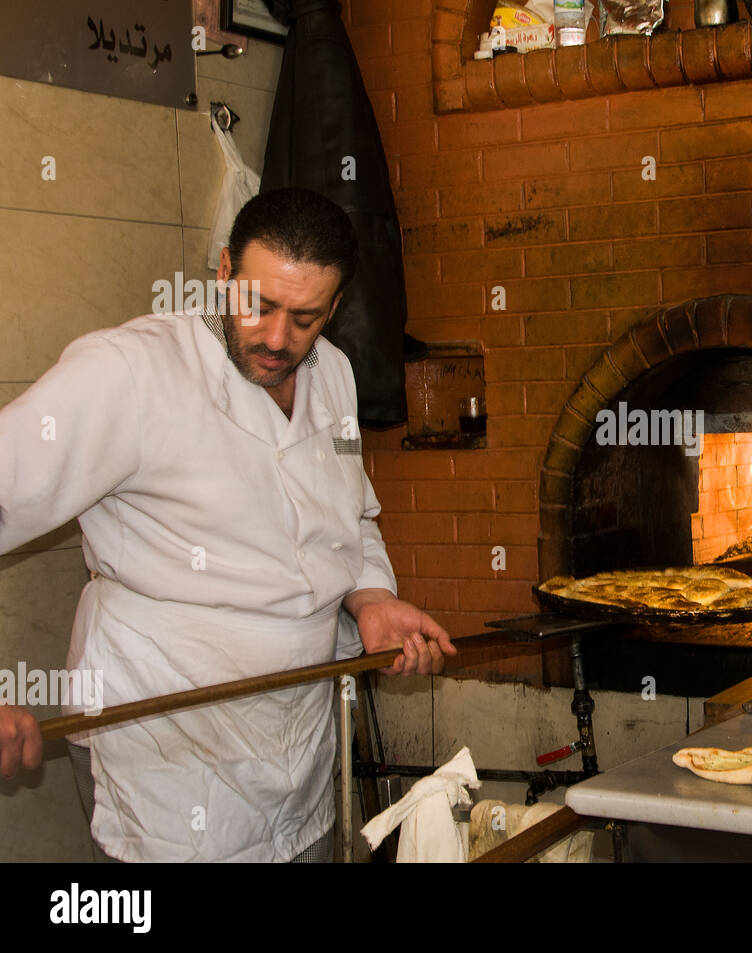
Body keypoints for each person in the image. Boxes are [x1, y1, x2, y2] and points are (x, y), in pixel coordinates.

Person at [0, 188, 454, 862]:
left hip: (296, 745)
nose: (276, 339)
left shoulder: (335, 376)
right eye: (258, 305)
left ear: (335, 307)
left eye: (304, 317)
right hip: (165, 747)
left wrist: (372, 598)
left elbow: (348, 513)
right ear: (222, 273)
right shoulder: (131, 372)